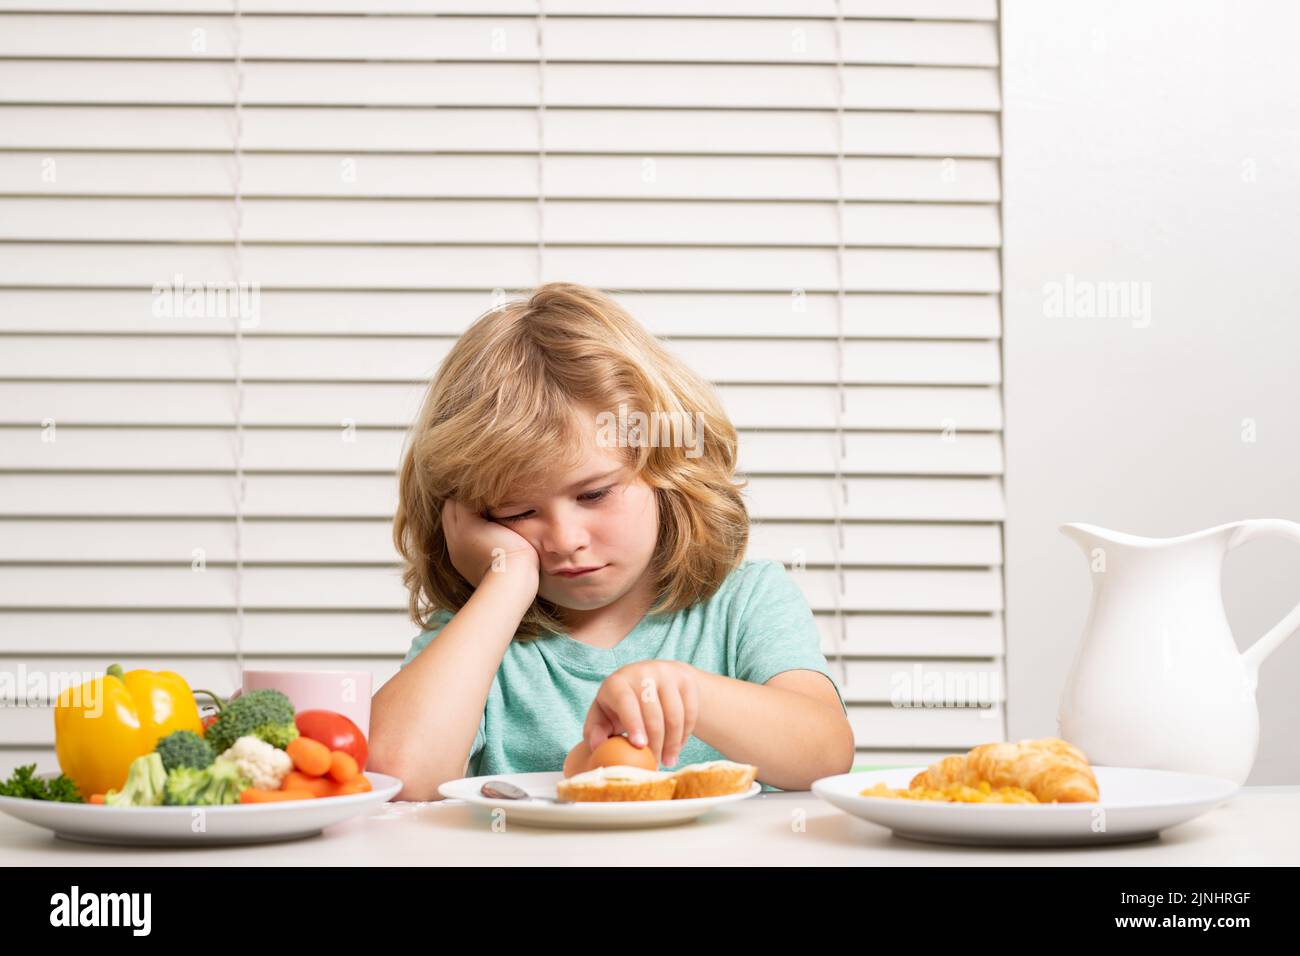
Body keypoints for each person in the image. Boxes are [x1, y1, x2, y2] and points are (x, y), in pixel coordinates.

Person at [369, 282, 853, 800]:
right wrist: (507, 580)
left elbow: (826, 754)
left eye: (595, 494)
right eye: (518, 512)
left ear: (667, 470)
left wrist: (688, 692)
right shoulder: (481, 633)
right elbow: (395, 776)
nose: (565, 540)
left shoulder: (744, 603)